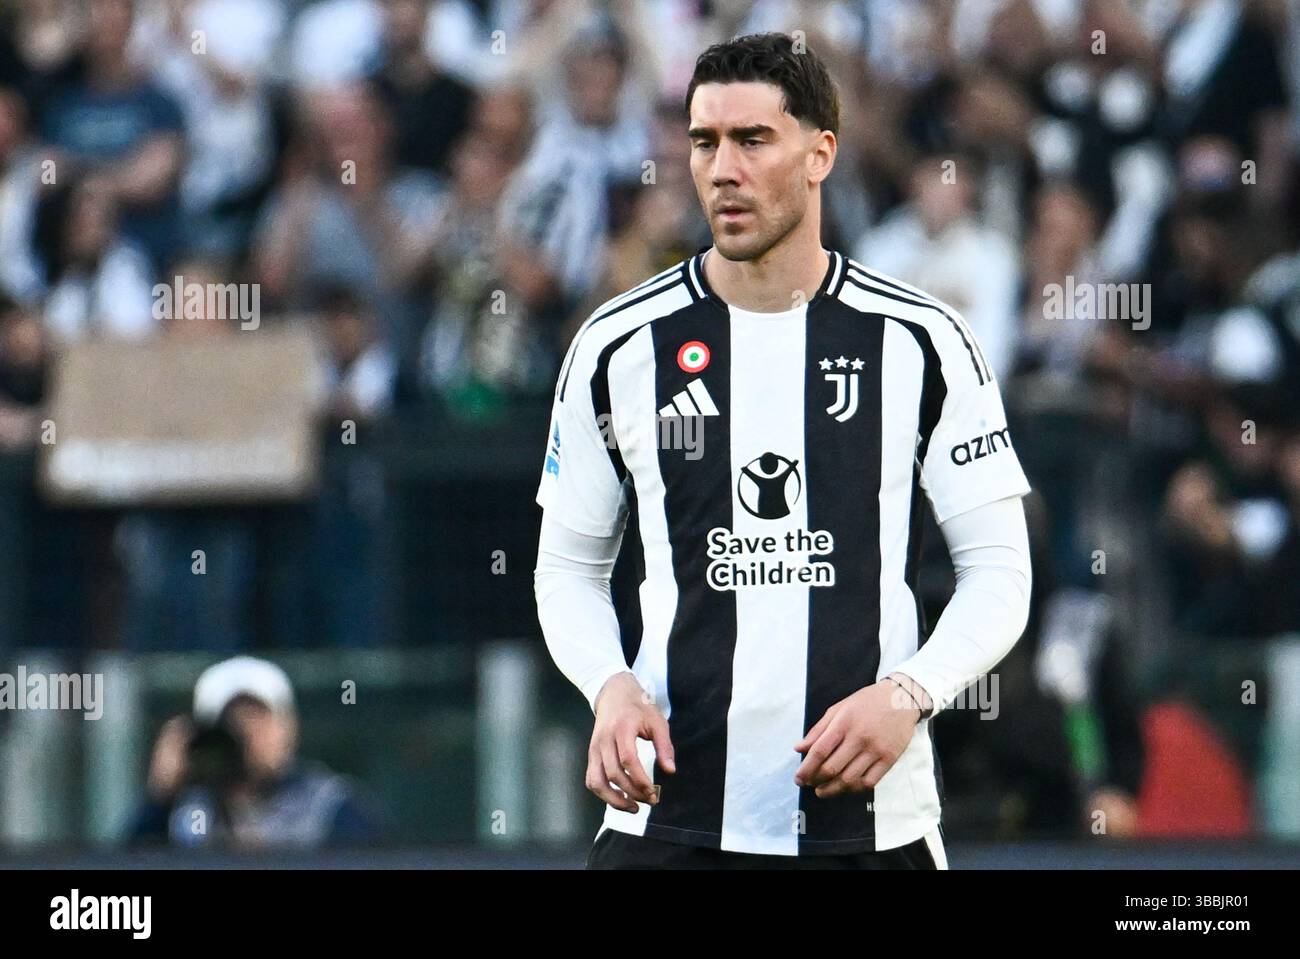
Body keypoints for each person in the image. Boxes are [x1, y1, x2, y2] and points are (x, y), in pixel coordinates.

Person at [533, 33, 1033, 869]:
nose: (722, 168)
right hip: (668, 817)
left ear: (820, 153)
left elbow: (1000, 572)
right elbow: (567, 570)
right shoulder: (617, 346)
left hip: (870, 825)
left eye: (752, 139)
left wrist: (909, 694)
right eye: (703, 141)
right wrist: (610, 686)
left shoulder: (923, 343)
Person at [128, 656, 380, 849]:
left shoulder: (328, 807)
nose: (248, 734)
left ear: (288, 730)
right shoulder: (186, 808)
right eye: (233, 721)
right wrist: (160, 795)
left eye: (259, 720)